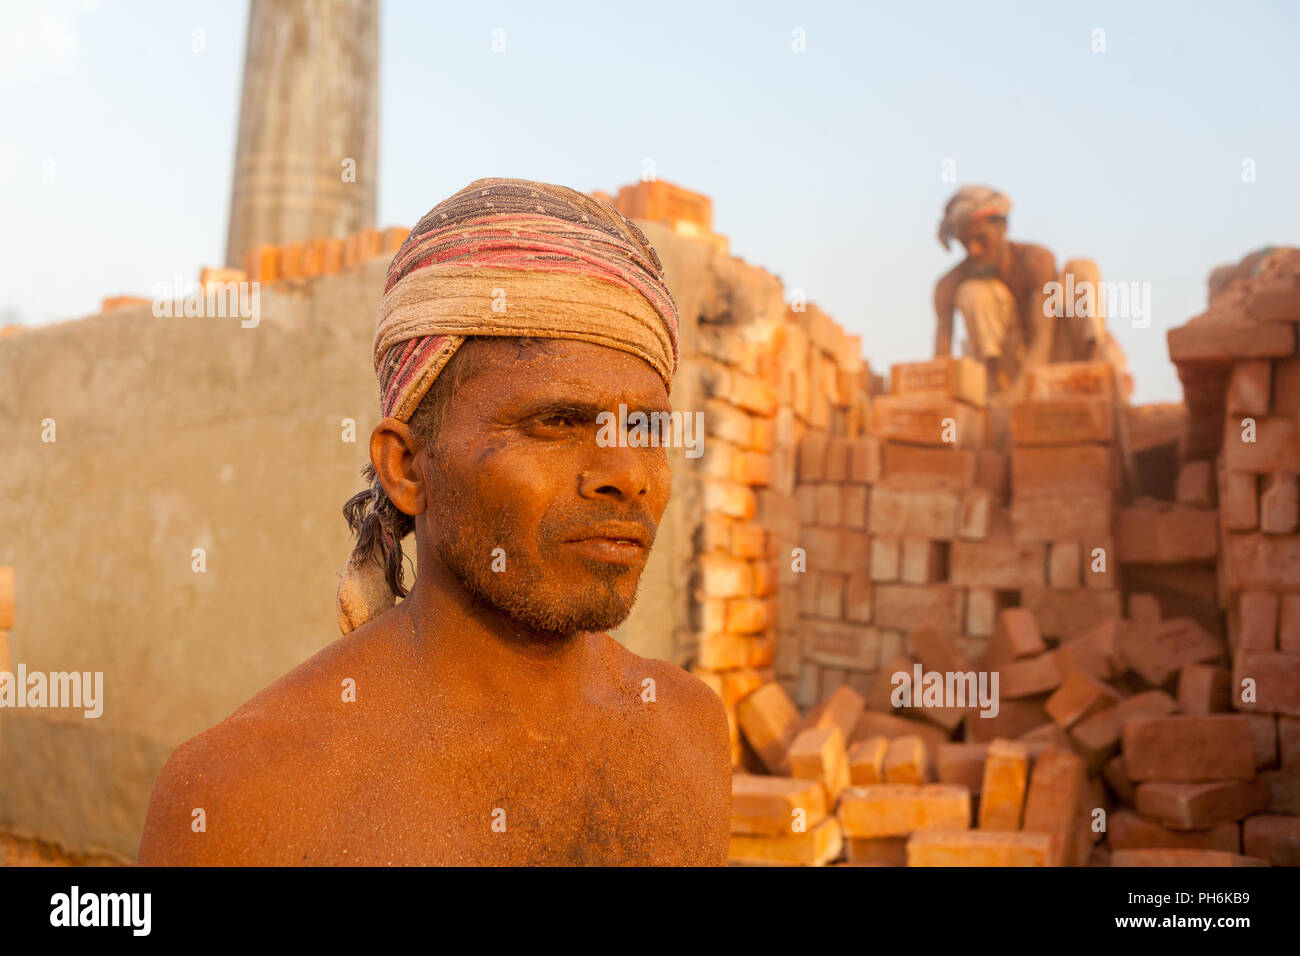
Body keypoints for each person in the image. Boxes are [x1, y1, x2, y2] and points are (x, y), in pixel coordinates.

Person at [137, 178, 731, 866]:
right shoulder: (243, 800)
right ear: (407, 468)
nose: (626, 474)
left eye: (650, 428)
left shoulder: (689, 728)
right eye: (557, 422)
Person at [933, 185, 1130, 396]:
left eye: (981, 239)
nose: (974, 250)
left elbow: (1042, 340)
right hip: (1007, 377)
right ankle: (994, 395)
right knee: (973, 293)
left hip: (1061, 360)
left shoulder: (1036, 260)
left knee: (1081, 269)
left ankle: (1095, 377)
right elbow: (940, 365)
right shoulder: (950, 284)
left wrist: (1020, 398)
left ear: (1003, 227)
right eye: (965, 242)